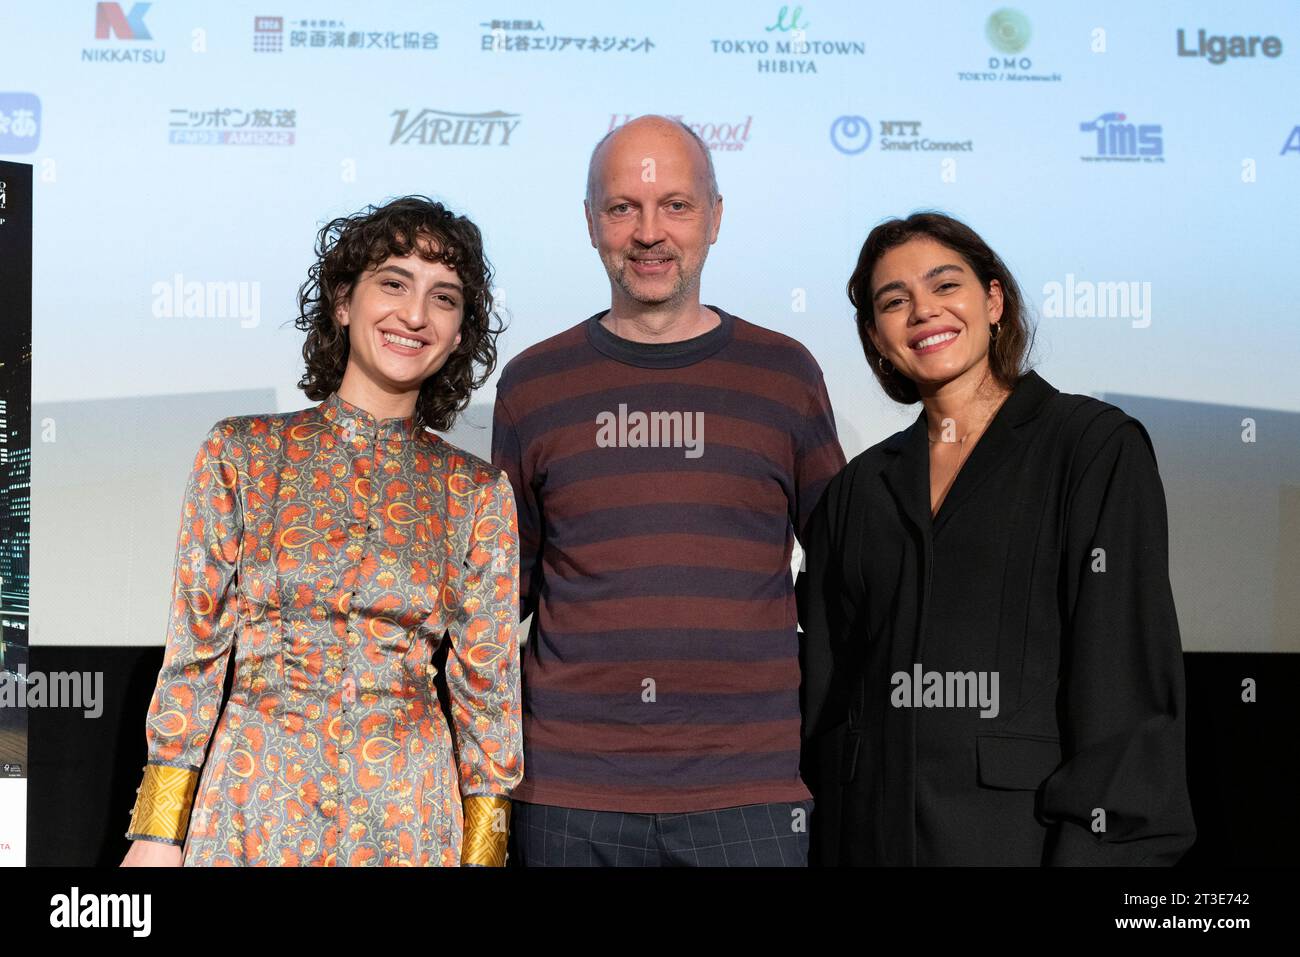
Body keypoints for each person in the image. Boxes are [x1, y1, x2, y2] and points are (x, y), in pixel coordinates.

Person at [121, 196, 522, 866]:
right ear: (343, 301)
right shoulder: (241, 454)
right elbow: (193, 655)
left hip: (408, 819)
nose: (415, 314)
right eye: (393, 283)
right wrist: (158, 831)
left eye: (443, 298)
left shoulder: (476, 493)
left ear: (459, 335)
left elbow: (489, 695)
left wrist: (484, 854)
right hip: (251, 805)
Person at [491, 114, 845, 866]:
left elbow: (847, 571)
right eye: (623, 208)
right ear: (591, 223)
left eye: (676, 205)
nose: (649, 232)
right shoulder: (531, 384)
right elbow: (500, 593)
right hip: (569, 793)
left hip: (749, 793)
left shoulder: (785, 374)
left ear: (715, 218)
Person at [798, 211, 1196, 865]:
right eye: (894, 301)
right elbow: (829, 707)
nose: (923, 311)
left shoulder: (1092, 450)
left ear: (993, 300)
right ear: (876, 337)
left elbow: (1124, 693)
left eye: (944, 285)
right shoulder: (856, 493)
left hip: (1021, 843)